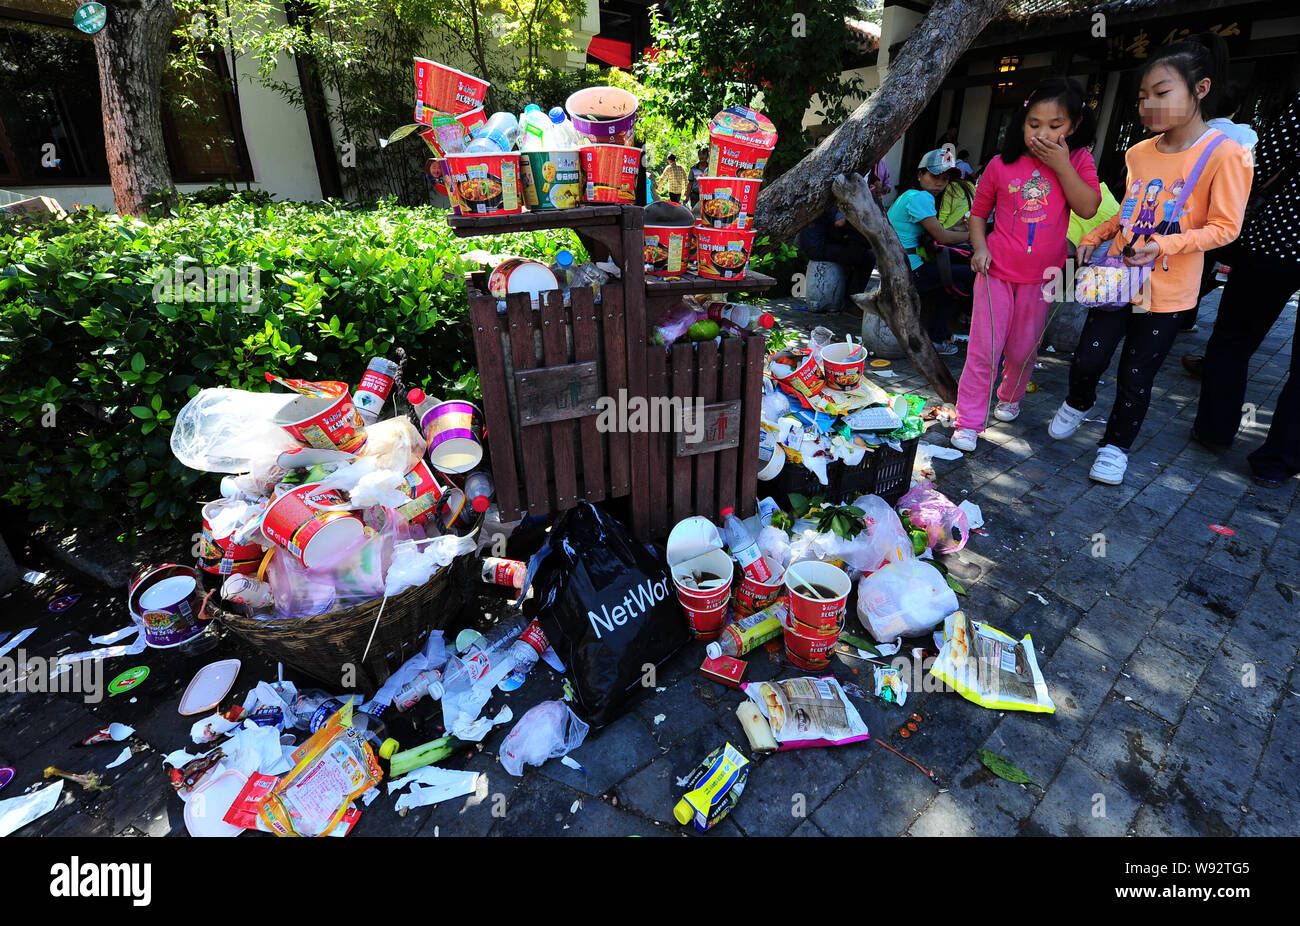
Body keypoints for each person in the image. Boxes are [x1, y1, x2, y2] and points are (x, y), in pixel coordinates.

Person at [1048, 33, 1253, 485]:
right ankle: (1080, 402)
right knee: (1086, 360)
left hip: (1168, 289)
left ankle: (1116, 447)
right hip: (1117, 277)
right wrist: (1098, 235)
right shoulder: (1139, 152)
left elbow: (1226, 228)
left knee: (1136, 375)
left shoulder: (1226, 154)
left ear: (1200, 90)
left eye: (1161, 94)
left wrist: (1164, 245)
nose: (1148, 105)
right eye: (1143, 96)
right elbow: (1130, 209)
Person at [950, 78, 1102, 452]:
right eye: (1034, 124)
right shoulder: (1002, 165)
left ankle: (1010, 394)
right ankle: (968, 420)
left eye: (1055, 125)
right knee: (984, 349)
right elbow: (978, 214)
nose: (1043, 134)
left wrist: (1062, 164)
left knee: (1022, 348)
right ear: (1021, 124)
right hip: (995, 271)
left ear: (1074, 126)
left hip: (1046, 278)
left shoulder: (1080, 160)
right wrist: (980, 248)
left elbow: (1088, 207)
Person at [1188, 92, 1299, 487]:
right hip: (1279, 240)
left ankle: (1215, 429)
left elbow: (1260, 163)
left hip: (1280, 239)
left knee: (1234, 338)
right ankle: (1279, 461)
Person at [1179, 80, 1259, 332]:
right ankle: (1185, 317)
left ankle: (1157, 310)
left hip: (1183, 207)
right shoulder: (1246, 136)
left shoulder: (1189, 131)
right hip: (1220, 214)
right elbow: (1250, 174)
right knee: (1204, 264)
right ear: (1236, 108)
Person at [887, 148, 974, 354]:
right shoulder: (921, 198)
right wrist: (973, 235)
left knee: (955, 284)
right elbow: (942, 238)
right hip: (912, 270)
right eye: (935, 176)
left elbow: (939, 232)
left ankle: (938, 336)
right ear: (920, 174)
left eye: (944, 179)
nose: (940, 183)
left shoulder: (908, 196)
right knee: (973, 272)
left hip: (900, 265)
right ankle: (944, 335)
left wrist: (958, 230)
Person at [798, 206, 876, 314]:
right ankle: (851, 303)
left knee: (859, 247)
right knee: (866, 256)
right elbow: (840, 222)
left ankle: (849, 298)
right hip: (818, 246)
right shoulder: (831, 200)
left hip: (817, 242)